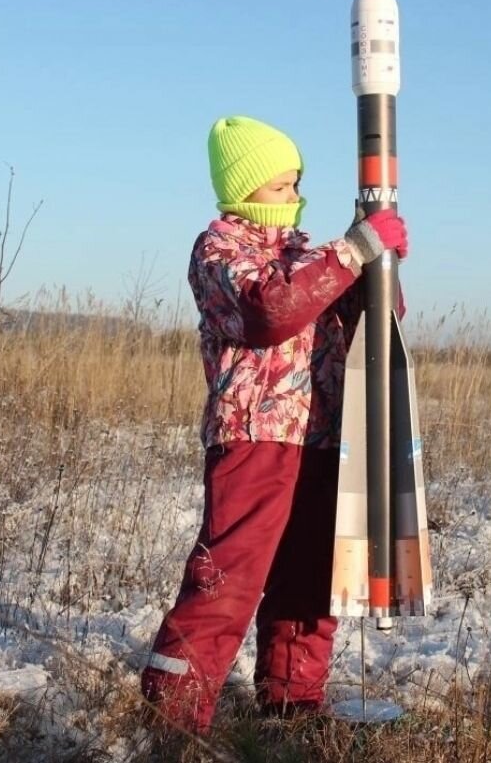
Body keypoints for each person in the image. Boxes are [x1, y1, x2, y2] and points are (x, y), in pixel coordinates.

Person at [140, 115, 408, 734]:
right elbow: (268, 312)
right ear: (241, 189)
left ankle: (293, 703)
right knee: (229, 577)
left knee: (312, 577)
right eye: (280, 186)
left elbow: (376, 318)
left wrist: (381, 269)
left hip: (324, 438)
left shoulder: (307, 254)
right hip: (255, 439)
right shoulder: (218, 251)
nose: (295, 197)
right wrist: (351, 251)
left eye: (296, 184)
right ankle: (173, 717)